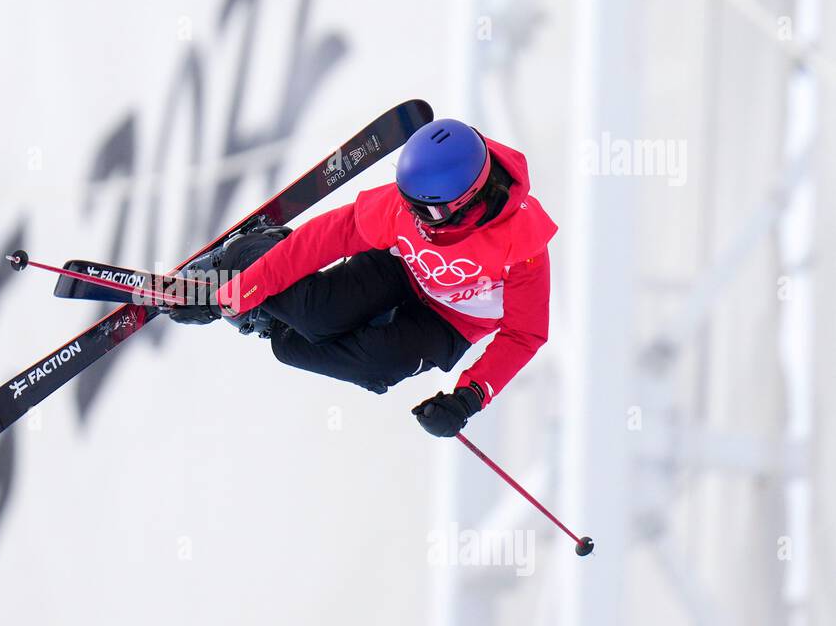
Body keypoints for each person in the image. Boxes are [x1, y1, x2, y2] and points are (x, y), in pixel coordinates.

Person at [170, 117, 557, 437]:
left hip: (451, 320)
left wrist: (468, 398)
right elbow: (330, 235)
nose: (416, 219)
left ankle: (276, 319)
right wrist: (246, 285)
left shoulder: (522, 248)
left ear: (468, 202)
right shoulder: (410, 208)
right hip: (401, 267)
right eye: (409, 204)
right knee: (316, 316)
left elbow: (524, 335)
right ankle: (246, 253)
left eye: (428, 213)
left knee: (321, 355)